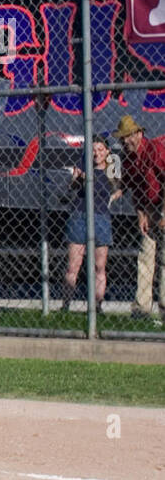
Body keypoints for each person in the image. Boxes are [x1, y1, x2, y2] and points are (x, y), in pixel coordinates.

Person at [60, 136, 122, 313]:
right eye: (94, 149)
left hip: (101, 217)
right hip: (80, 215)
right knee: (73, 266)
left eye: (101, 150)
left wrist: (113, 196)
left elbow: (118, 188)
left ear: (107, 152)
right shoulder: (82, 167)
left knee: (99, 266)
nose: (97, 153)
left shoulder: (110, 171)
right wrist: (77, 178)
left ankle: (97, 305)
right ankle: (65, 305)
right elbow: (71, 187)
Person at [115, 114, 165, 323]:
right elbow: (134, 188)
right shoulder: (128, 159)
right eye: (123, 138)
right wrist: (141, 216)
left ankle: (164, 307)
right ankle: (142, 308)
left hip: (162, 205)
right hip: (149, 208)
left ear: (139, 134)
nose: (126, 142)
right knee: (145, 256)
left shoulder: (155, 150)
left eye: (129, 137)